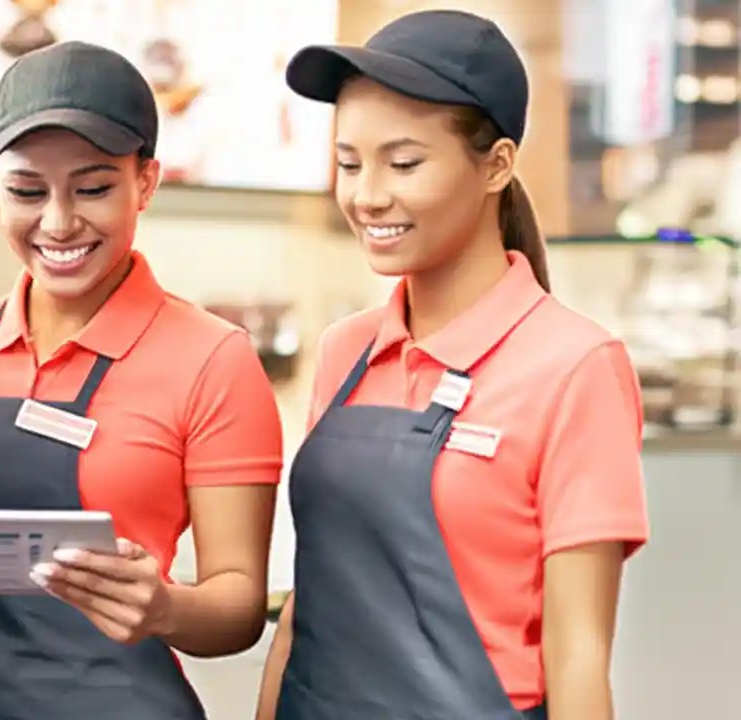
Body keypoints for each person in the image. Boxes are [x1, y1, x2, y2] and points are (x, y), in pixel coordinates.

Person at [0, 41, 284, 719]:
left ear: (145, 181)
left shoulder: (213, 359)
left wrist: (164, 606)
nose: (58, 222)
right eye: (27, 191)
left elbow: (237, 606)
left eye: (93, 188)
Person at [256, 10, 649, 720]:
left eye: (403, 163)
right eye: (349, 163)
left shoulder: (575, 367)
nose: (367, 194)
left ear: (496, 164)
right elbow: (305, 606)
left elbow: (579, 654)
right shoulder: (347, 350)